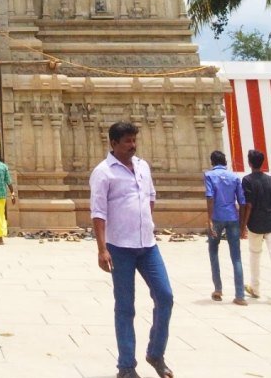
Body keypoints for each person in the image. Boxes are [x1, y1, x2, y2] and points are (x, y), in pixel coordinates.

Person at [90, 121, 174, 378]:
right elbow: (98, 212)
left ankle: (155, 353)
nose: (132, 145)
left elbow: (150, 198)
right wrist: (102, 249)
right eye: (127, 141)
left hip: (148, 245)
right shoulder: (103, 172)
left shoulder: (142, 166)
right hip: (119, 248)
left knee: (165, 296)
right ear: (113, 143)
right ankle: (126, 366)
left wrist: (143, 222)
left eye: (134, 140)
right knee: (125, 307)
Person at [204, 149, 246, 304]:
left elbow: (210, 197)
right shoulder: (234, 177)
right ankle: (240, 295)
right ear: (225, 162)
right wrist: (242, 224)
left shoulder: (209, 175)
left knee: (213, 251)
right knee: (236, 257)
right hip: (232, 217)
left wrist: (209, 219)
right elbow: (242, 201)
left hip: (216, 217)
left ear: (212, 162)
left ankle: (218, 289)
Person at [240, 149, 271, 298]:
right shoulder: (269, 180)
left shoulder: (247, 180)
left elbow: (249, 205)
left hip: (255, 224)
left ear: (250, 163)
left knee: (255, 255)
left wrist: (243, 226)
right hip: (270, 222)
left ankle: (255, 289)